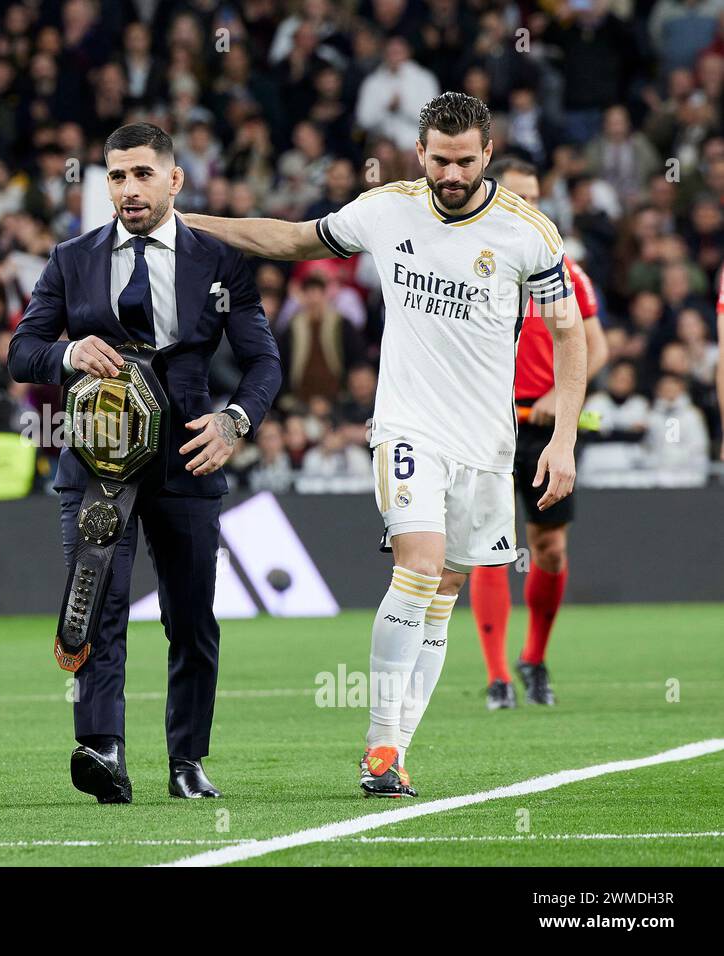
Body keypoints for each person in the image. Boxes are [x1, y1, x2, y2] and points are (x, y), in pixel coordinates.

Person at [183, 92, 586, 798]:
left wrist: (566, 438)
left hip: (488, 444)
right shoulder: (386, 209)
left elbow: (570, 334)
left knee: (446, 589)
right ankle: (378, 744)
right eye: (439, 159)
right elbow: (292, 238)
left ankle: (397, 749)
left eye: (465, 161)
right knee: (419, 564)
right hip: (408, 427)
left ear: (488, 154)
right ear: (420, 153)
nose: (451, 173)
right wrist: (188, 221)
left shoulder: (530, 234)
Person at [9, 122, 281, 803]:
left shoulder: (218, 260)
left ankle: (187, 760)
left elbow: (264, 362)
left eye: (142, 175)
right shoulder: (72, 258)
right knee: (96, 606)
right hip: (97, 462)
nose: (129, 189)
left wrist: (235, 419)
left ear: (174, 179)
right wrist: (69, 353)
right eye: (117, 176)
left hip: (187, 456)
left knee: (191, 618)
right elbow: (22, 351)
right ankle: (102, 748)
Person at [468, 158, 609, 710]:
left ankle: (534, 657)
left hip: (546, 429)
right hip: (485, 424)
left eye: (533, 197)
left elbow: (595, 347)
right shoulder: (470, 264)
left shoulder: (564, 270)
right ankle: (498, 675)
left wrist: (559, 397)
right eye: (515, 196)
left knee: (547, 548)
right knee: (491, 549)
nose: (525, 207)